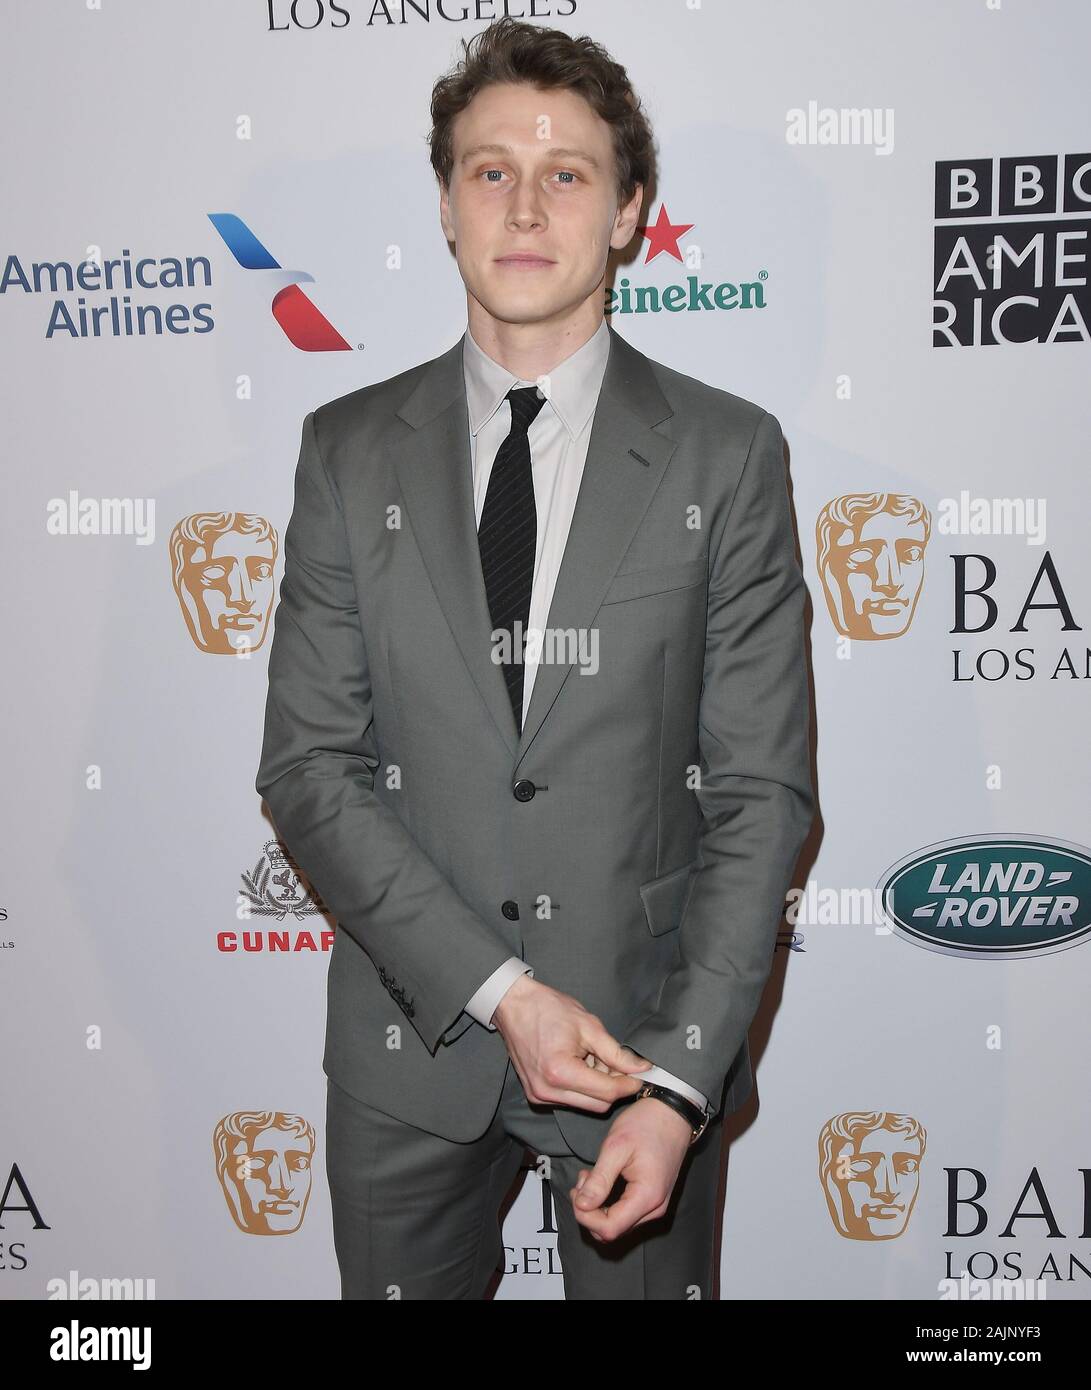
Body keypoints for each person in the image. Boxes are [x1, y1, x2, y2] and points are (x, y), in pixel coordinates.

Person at [255, 14, 813, 1300]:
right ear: (445, 208)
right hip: (412, 1045)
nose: (522, 202)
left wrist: (680, 1081)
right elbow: (309, 768)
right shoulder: (345, 453)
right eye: (487, 168)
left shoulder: (724, 457)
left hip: (643, 1050)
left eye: (565, 172)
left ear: (627, 214)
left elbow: (756, 795)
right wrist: (501, 990)